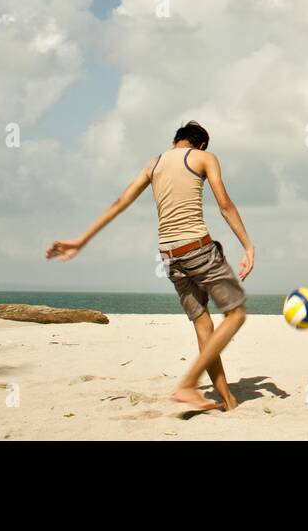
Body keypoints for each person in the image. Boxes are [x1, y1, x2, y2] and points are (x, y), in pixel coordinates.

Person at [46, 121, 255, 411]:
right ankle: (188, 384)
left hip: (169, 256)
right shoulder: (205, 158)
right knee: (236, 314)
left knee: (203, 325)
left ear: (175, 140)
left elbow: (120, 202)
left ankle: (227, 400)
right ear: (202, 145)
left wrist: (81, 240)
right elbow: (225, 204)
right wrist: (248, 245)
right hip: (198, 249)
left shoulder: (153, 164)